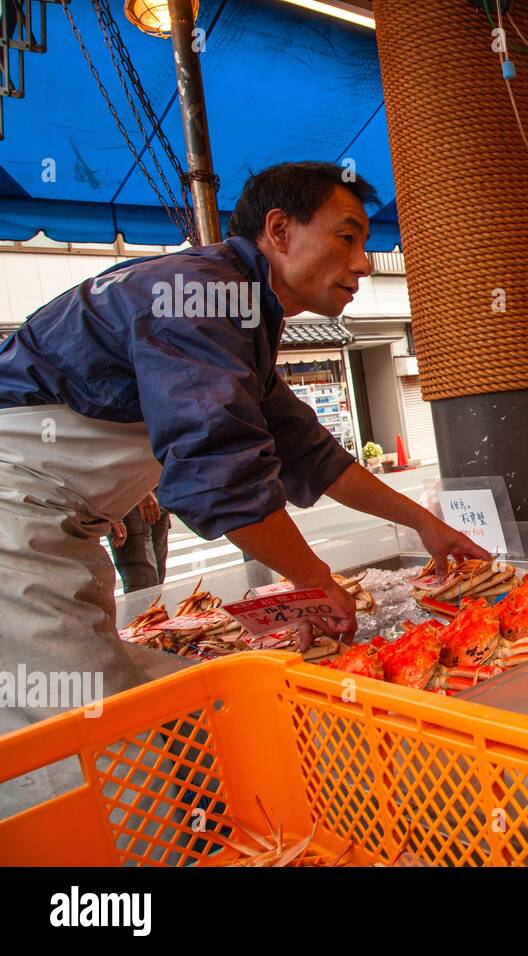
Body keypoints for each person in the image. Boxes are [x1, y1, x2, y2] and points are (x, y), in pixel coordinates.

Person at [0, 161, 490, 738]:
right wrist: (314, 580)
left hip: (57, 528)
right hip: (18, 523)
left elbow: (310, 452)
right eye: (347, 236)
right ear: (279, 230)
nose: (362, 263)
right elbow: (223, 473)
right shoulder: (203, 298)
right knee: (87, 733)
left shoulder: (237, 310)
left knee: (149, 700)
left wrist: (423, 523)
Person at [109, 490, 170, 593]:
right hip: (129, 500)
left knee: (157, 581)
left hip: (157, 492)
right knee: (144, 583)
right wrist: (142, 492)